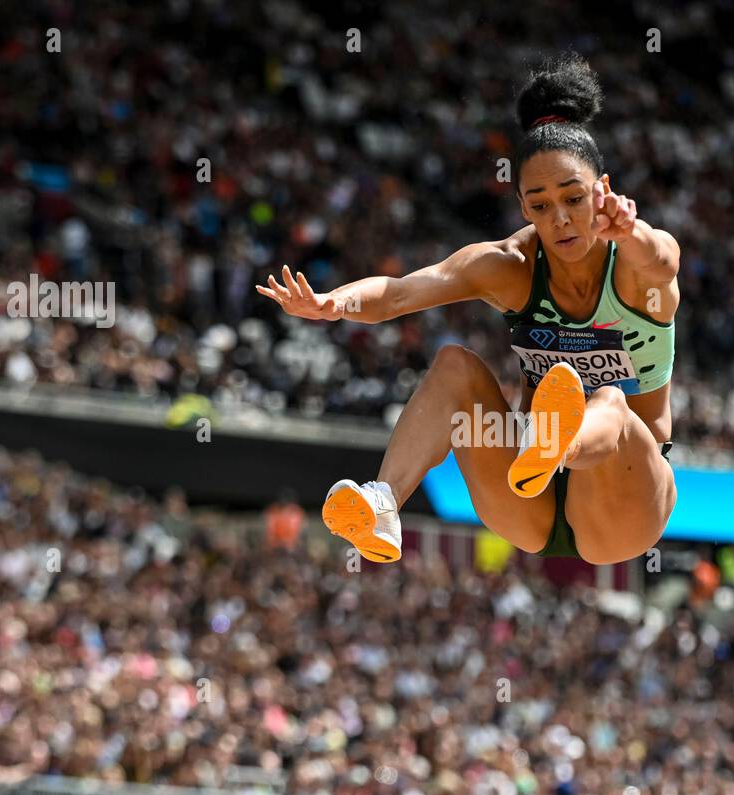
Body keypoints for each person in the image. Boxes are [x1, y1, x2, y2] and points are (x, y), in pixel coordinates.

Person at [258, 52, 679, 565]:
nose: (561, 219)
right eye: (541, 205)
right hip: (528, 503)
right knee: (454, 364)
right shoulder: (508, 265)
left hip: (623, 505)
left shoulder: (634, 264)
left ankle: (559, 444)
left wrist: (631, 231)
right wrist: (334, 303)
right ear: (524, 208)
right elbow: (398, 293)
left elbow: (664, 260)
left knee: (610, 401)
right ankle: (385, 502)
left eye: (573, 199)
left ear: (601, 192)